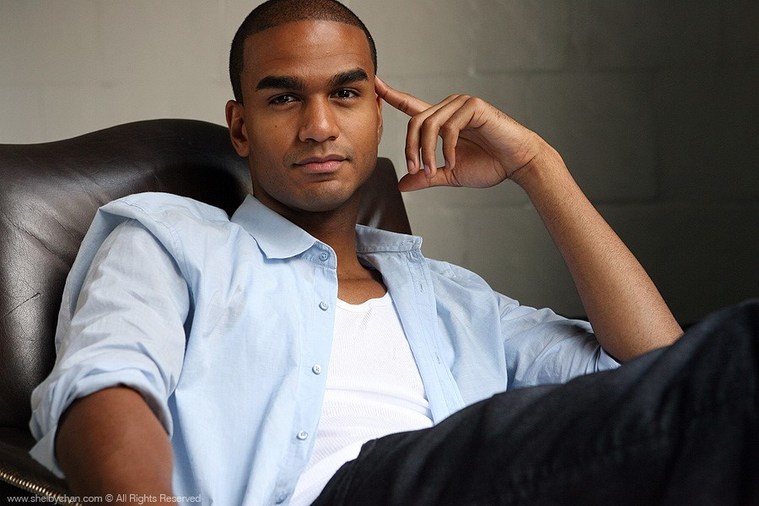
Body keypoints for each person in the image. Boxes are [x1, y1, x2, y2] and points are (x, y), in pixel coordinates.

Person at [29, 1, 757, 505]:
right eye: (283, 99)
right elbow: (106, 388)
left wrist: (540, 166)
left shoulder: (451, 297)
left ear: (378, 115)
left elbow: (659, 376)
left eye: (346, 94)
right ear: (240, 127)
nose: (319, 126)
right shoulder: (174, 240)